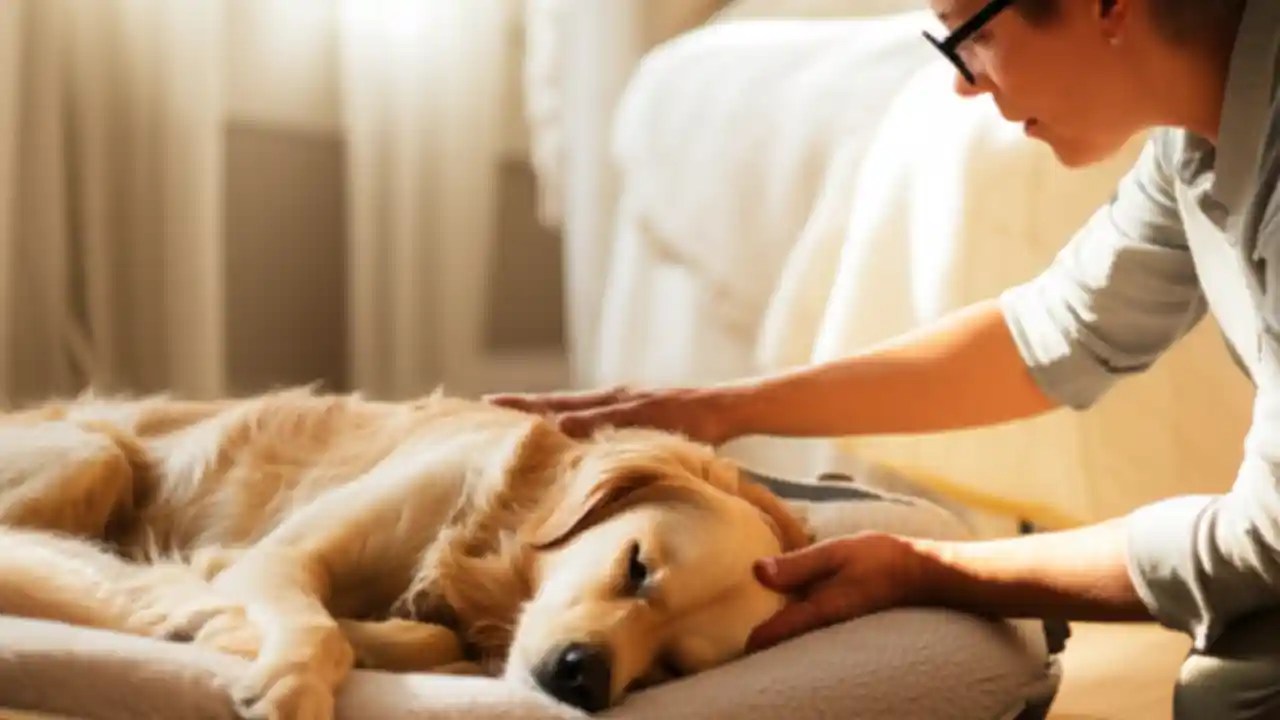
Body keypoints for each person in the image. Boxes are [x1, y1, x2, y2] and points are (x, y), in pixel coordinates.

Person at [489, 0, 1280, 716]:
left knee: (1229, 690)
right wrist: (722, 408)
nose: (965, 85)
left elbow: (1259, 542)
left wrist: (935, 569)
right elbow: (1055, 331)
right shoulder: (1198, 141)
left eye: (975, 36)